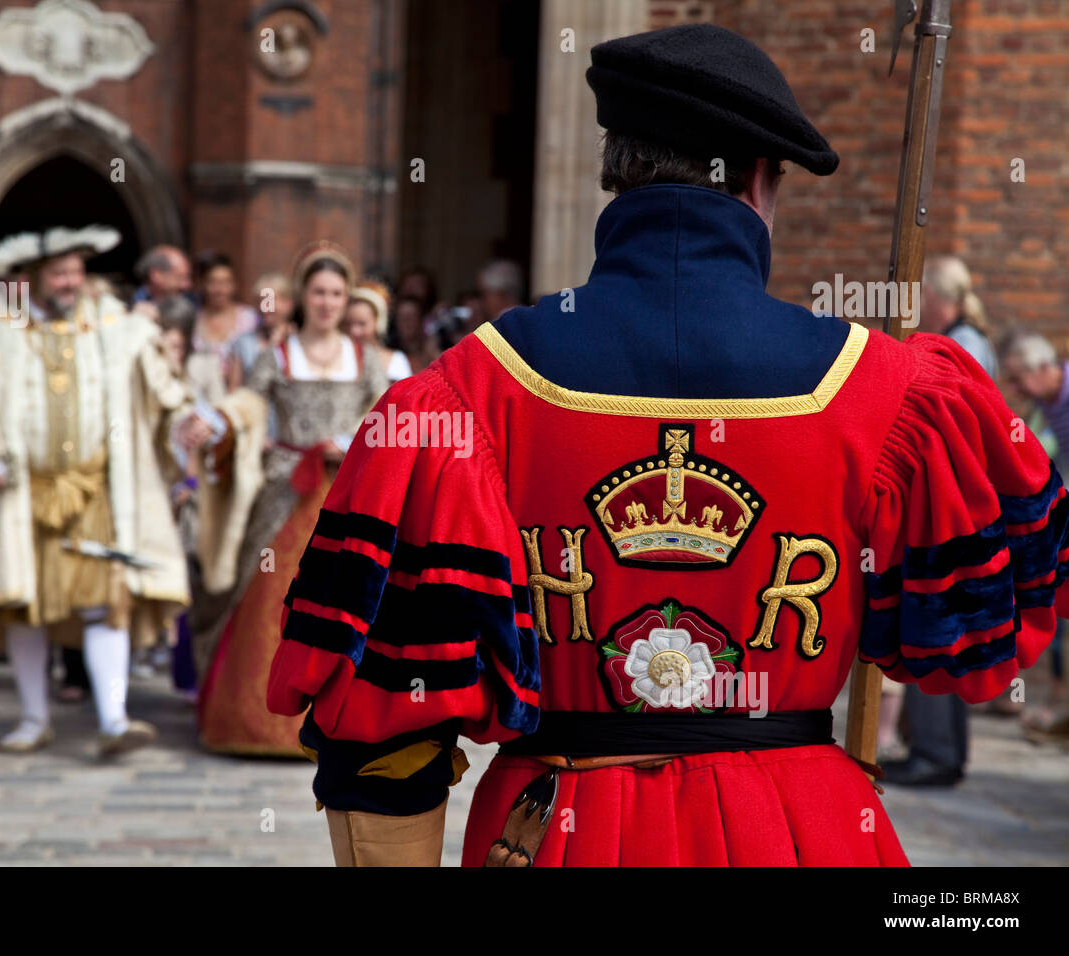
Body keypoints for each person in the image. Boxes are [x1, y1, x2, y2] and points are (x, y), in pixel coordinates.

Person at [266, 25, 1067, 866]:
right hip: (804, 830)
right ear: (761, 181)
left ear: (616, 171)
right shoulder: (893, 392)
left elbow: (384, 726)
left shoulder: (461, 395)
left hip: (552, 827)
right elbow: (983, 639)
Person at [0, 225, 211, 754]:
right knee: (26, 601)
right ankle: (32, 717)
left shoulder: (118, 327)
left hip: (98, 490)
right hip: (22, 496)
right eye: (60, 273)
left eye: (77, 272)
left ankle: (114, 720)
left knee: (105, 600)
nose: (71, 283)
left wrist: (187, 422)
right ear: (28, 278)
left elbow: (167, 394)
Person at [194, 241, 389, 755]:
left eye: (336, 293)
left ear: (348, 299)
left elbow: (382, 414)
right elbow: (249, 400)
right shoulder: (275, 355)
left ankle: (345, 719)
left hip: (347, 491)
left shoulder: (366, 359)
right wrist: (216, 420)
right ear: (303, 294)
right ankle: (257, 722)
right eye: (319, 291)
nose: (327, 302)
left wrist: (349, 444)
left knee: (350, 599)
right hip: (287, 488)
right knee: (268, 594)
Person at [881, 255, 1000, 787]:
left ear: (939, 296)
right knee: (948, 630)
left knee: (937, 623)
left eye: (924, 291)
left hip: (951, 510)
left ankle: (937, 754)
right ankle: (936, 751)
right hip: (957, 507)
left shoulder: (961, 348)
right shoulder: (969, 341)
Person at [1000, 330, 1069, 739]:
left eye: (1019, 378)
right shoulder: (1048, 405)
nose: (1018, 389)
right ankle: (1056, 701)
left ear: (1043, 369)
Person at [191, 251, 260, 392]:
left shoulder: (251, 318)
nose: (219, 289)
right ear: (203, 284)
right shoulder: (192, 319)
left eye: (225, 282)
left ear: (234, 285)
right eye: (212, 282)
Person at [342, 281, 412, 382]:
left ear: (378, 323)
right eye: (348, 323)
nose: (354, 331)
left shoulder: (396, 361)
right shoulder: (336, 361)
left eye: (362, 324)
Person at [232, 273, 295, 381]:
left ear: (288, 304)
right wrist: (272, 345)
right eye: (260, 301)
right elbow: (234, 391)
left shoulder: (299, 340)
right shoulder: (243, 342)